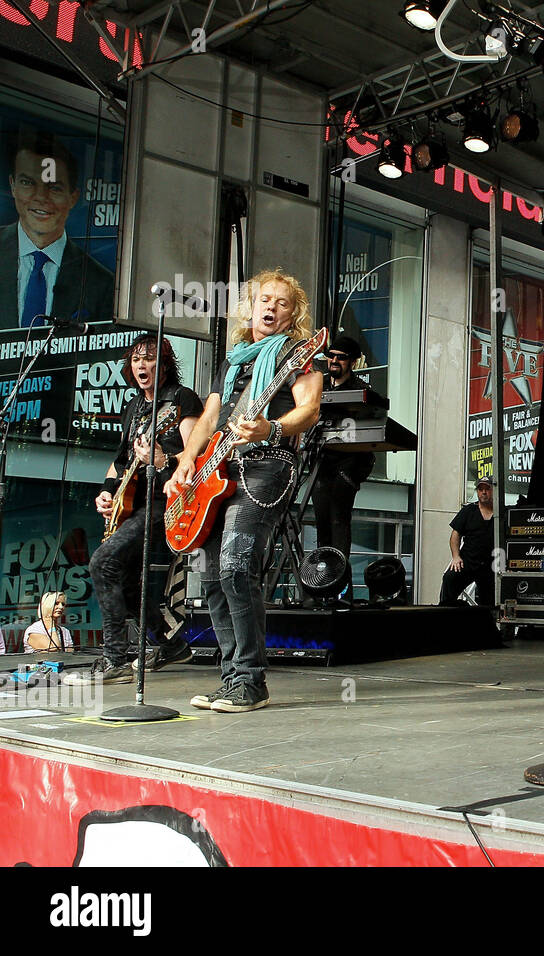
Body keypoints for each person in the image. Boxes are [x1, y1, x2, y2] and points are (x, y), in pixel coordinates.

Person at [164, 269, 323, 713]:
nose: (271, 307)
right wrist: (185, 463)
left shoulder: (299, 353)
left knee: (235, 566)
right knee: (212, 575)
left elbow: (309, 410)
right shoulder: (234, 358)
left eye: (283, 303)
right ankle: (233, 678)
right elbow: (210, 418)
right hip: (217, 470)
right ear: (252, 307)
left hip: (268, 464)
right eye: (265, 299)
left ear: (294, 315)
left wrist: (270, 426)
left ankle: (251, 680)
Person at [66, 334, 203, 686]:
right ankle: (170, 644)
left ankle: (114, 659)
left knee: (102, 561)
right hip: (133, 505)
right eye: (137, 359)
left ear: (166, 364)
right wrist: (107, 493)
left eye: (152, 359)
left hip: (167, 502)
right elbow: (120, 462)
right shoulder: (133, 406)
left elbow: (196, 455)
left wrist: (163, 460)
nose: (143, 366)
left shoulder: (180, 400)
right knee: (125, 584)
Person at [2, 131, 115, 330]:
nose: (41, 197)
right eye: (28, 183)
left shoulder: (101, 283)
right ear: (13, 186)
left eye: (54, 188)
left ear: (73, 197)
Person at [311, 335, 375, 575]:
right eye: (331, 356)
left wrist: (356, 473)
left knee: (339, 521)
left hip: (347, 465)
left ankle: (338, 584)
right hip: (321, 463)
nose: (334, 361)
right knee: (322, 525)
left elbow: (370, 434)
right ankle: (321, 578)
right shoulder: (318, 385)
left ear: (353, 362)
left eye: (341, 357)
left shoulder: (362, 390)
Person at [440, 478, 496, 607]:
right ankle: (443, 614)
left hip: (491, 565)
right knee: (449, 578)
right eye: (480, 489)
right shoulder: (469, 510)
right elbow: (455, 535)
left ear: (493, 491)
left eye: (487, 489)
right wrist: (455, 556)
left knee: (489, 603)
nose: (484, 492)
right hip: (468, 561)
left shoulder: (501, 513)